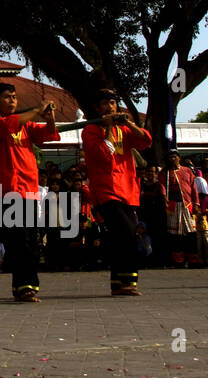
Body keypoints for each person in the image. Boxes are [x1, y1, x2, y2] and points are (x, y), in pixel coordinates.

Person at [0, 84, 58, 302]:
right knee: (17, 240)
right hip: (6, 189)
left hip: (28, 188)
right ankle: (24, 286)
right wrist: (36, 110)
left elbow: (48, 134)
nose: (12, 101)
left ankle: (26, 285)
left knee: (31, 239)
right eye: (7, 97)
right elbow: (8, 126)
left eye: (14, 97)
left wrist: (49, 116)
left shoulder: (26, 124)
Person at [81, 89, 152, 296]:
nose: (110, 107)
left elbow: (146, 141)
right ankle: (126, 280)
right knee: (127, 232)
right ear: (97, 108)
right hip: (106, 190)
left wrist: (129, 123)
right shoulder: (91, 130)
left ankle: (120, 282)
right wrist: (110, 128)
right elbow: (104, 154)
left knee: (123, 235)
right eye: (105, 104)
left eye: (113, 103)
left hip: (127, 189)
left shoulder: (125, 129)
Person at [163, 151, 201, 267]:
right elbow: (162, 187)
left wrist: (196, 203)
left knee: (191, 233)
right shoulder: (165, 173)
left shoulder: (187, 170)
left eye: (174, 157)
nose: (173, 159)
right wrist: (164, 197)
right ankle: (178, 261)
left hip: (187, 205)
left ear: (179, 158)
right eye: (170, 157)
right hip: (173, 205)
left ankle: (193, 260)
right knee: (175, 235)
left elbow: (193, 188)